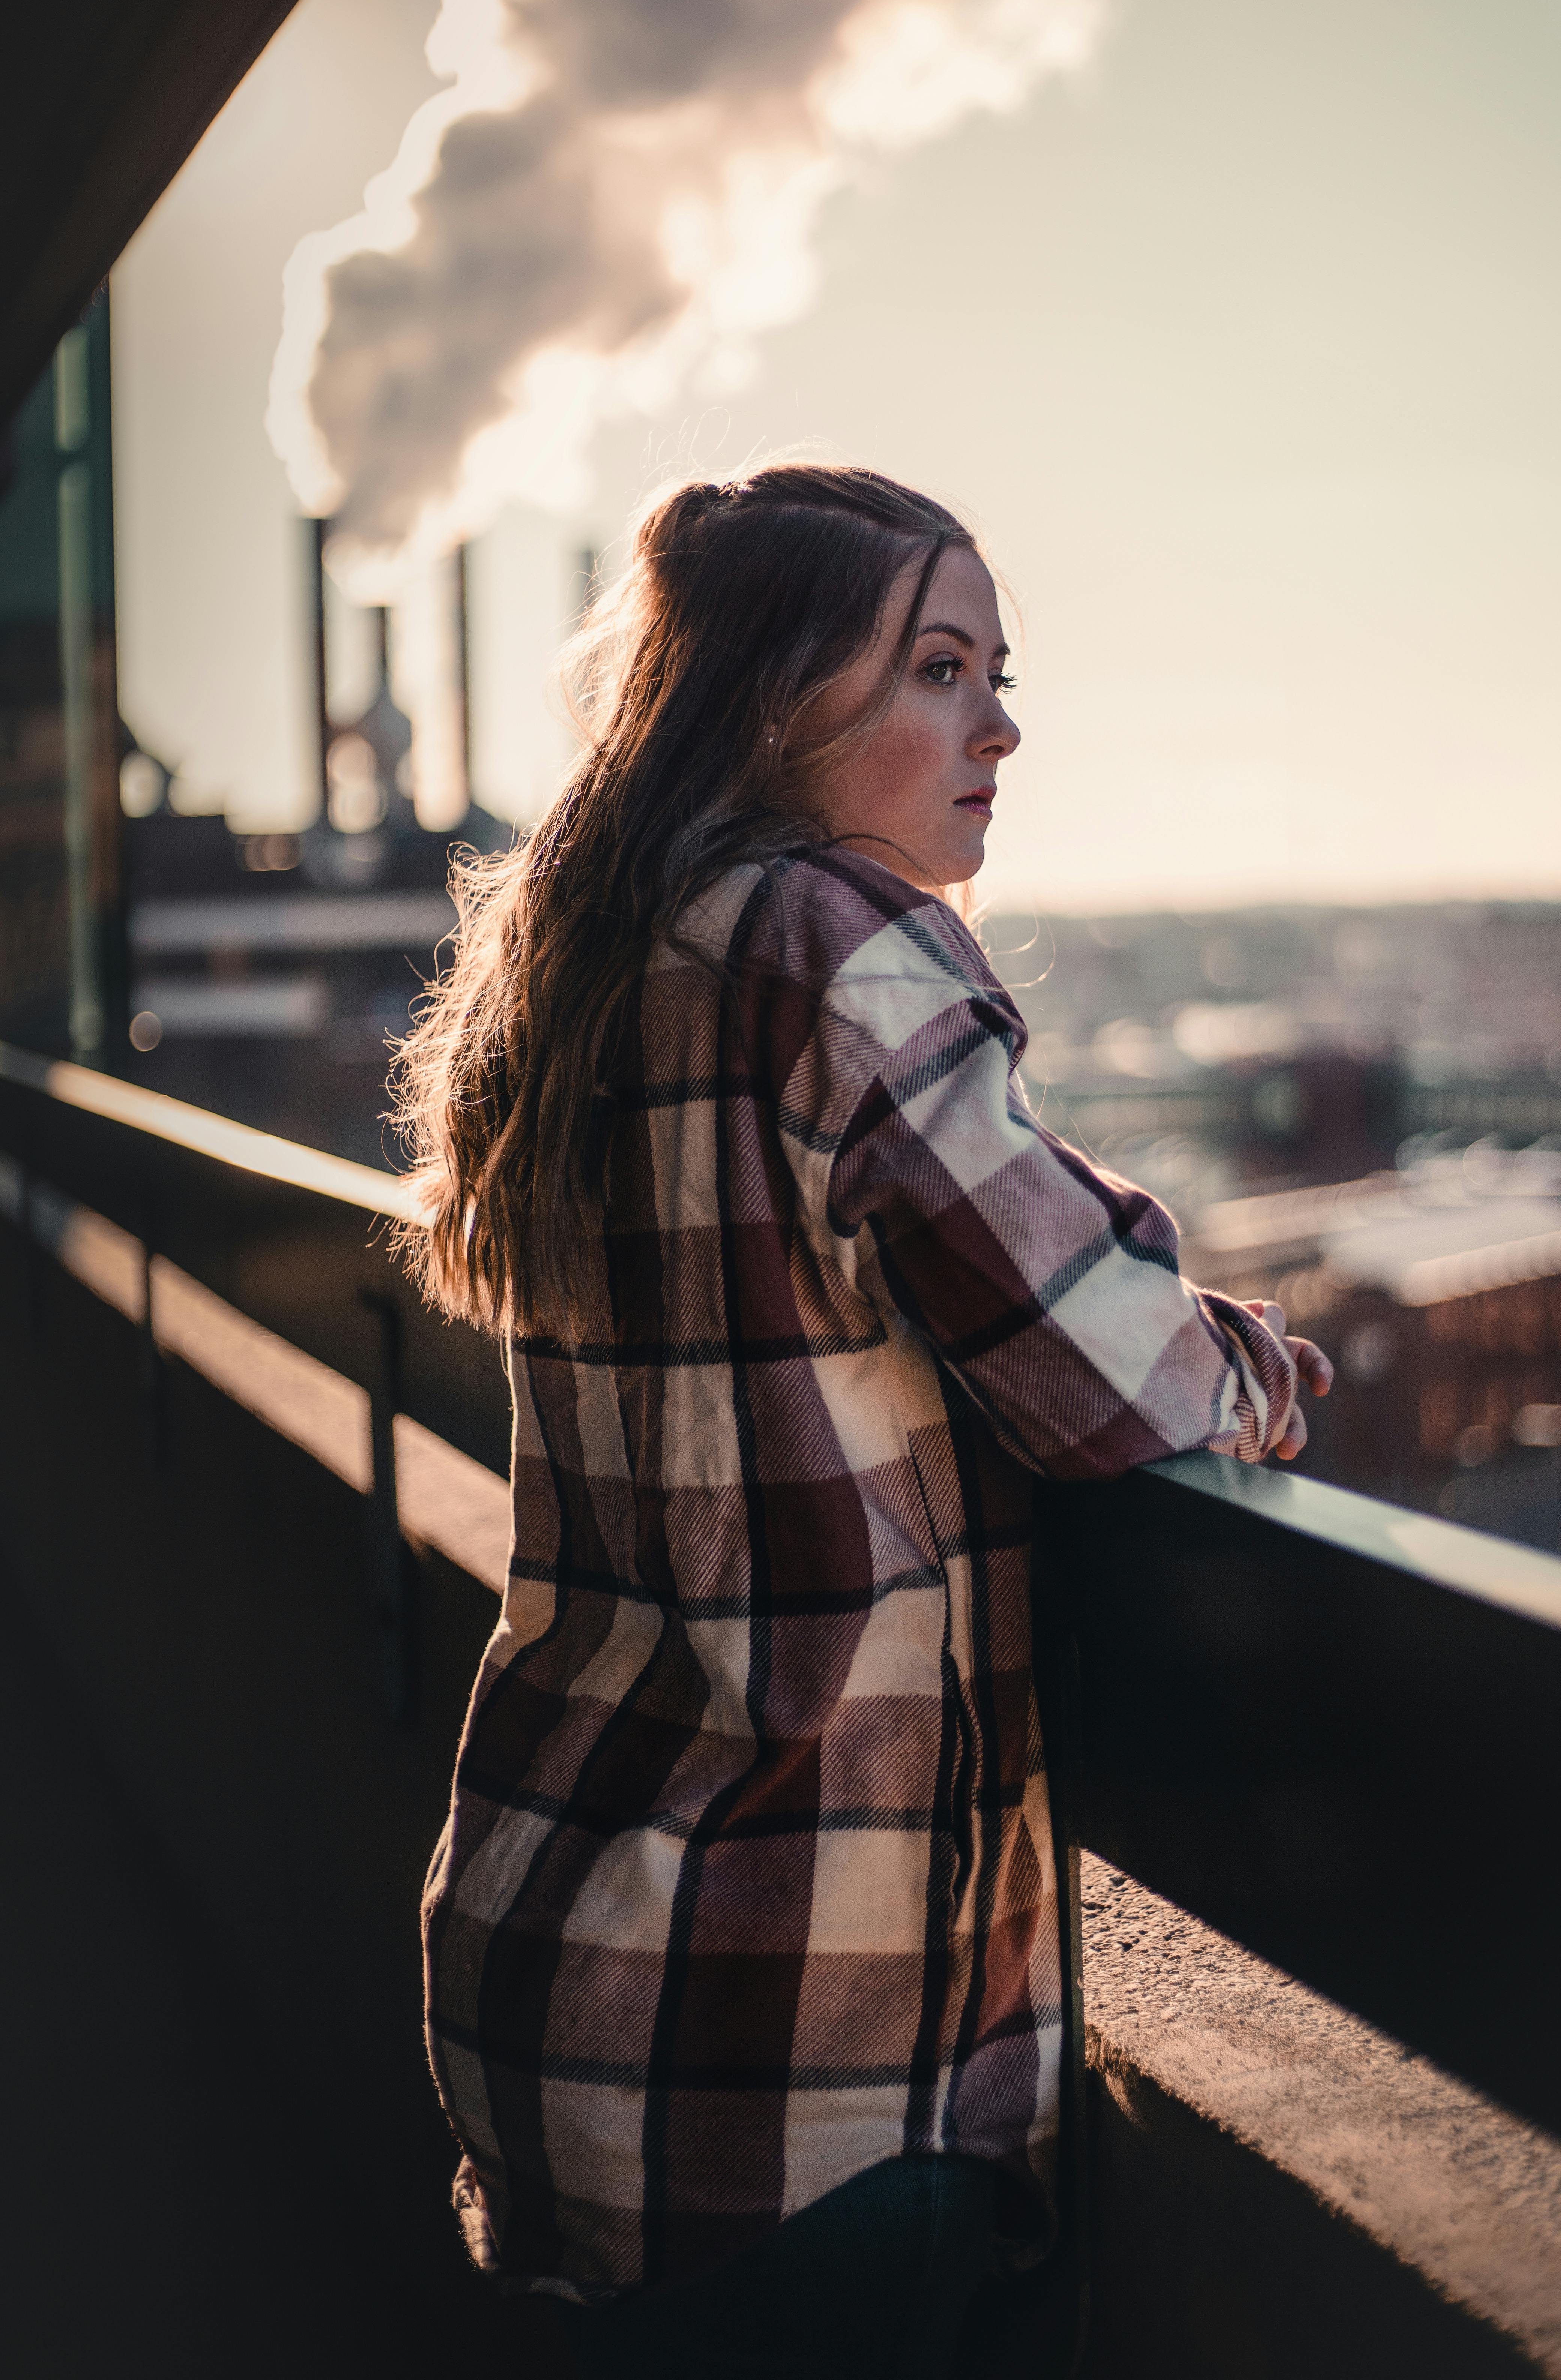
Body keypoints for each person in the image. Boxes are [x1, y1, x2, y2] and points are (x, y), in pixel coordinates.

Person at [395, 464, 1329, 2378]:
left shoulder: (588, 954)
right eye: (935, 667)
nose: (997, 725)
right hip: (786, 2087)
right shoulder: (826, 938)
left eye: (996, 669)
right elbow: (1118, 1376)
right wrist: (1252, 1364)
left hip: (563, 1982)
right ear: (764, 696)